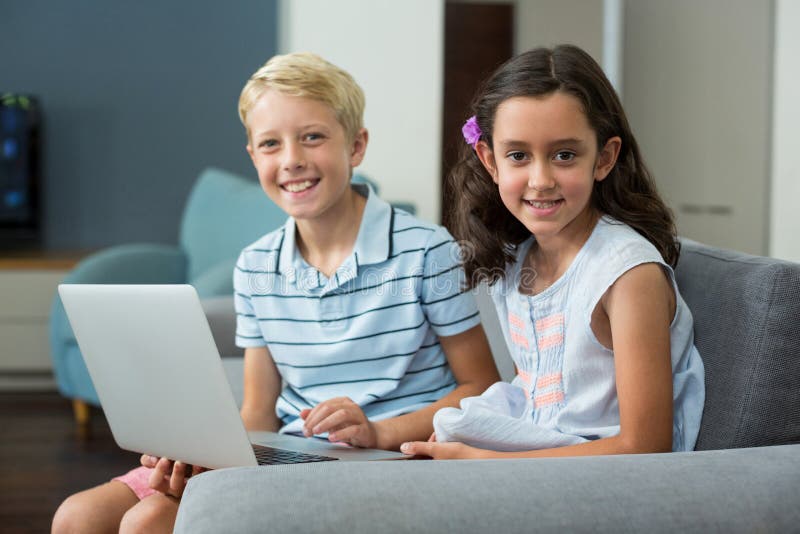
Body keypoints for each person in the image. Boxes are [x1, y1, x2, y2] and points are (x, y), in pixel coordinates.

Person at [52, 52, 499, 533]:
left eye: (312, 137)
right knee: (78, 516)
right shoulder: (257, 266)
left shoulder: (426, 251)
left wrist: (378, 430)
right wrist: (197, 457)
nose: (292, 160)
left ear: (356, 145)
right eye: (271, 144)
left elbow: (483, 388)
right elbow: (259, 411)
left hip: (393, 455)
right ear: (253, 156)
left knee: (148, 523)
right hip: (288, 453)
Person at [400, 45, 705, 460]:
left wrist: (490, 463)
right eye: (518, 156)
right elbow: (541, 396)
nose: (540, 180)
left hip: (610, 479)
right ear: (490, 162)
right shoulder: (519, 259)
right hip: (546, 461)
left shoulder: (628, 275)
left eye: (564, 155)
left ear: (604, 158)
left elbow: (645, 446)